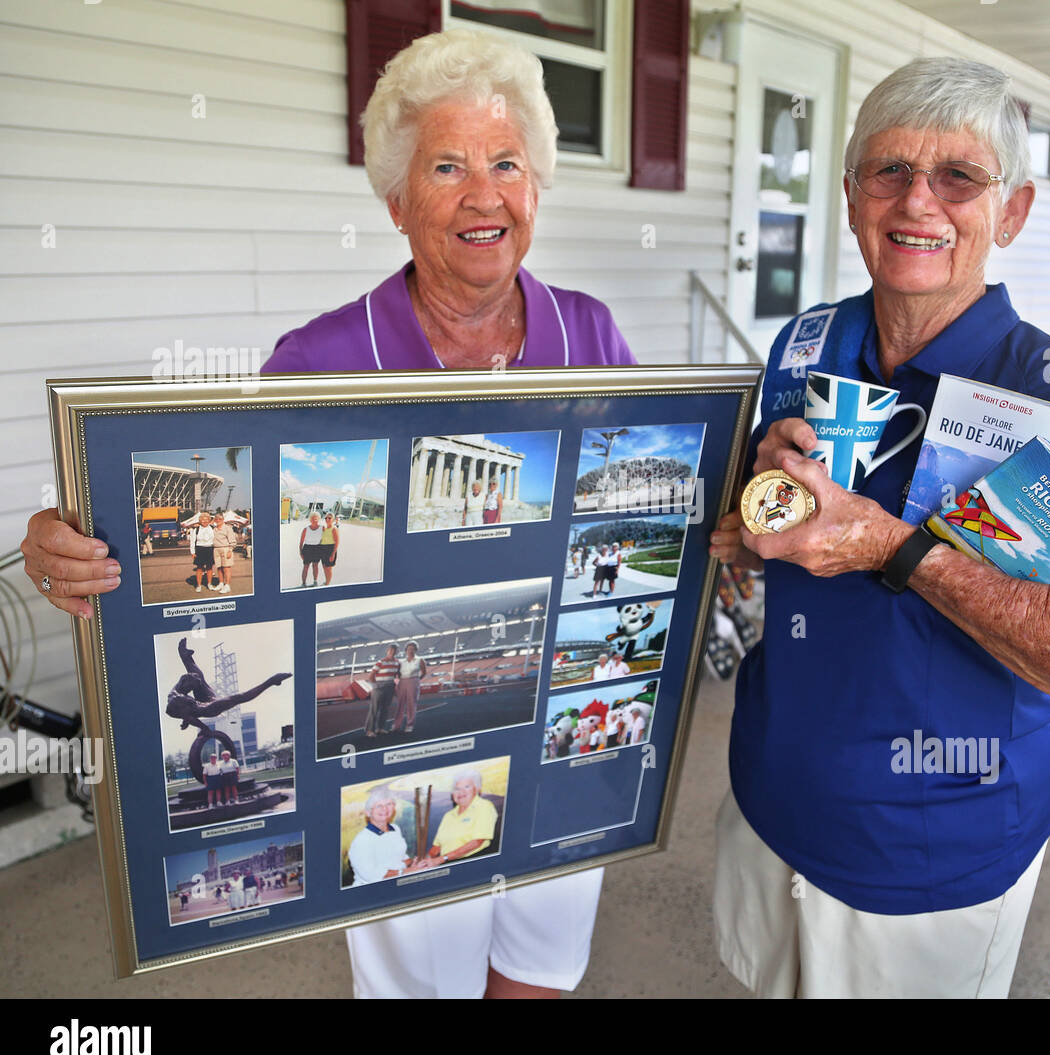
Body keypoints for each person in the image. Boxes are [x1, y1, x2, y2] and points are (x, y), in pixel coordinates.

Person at [26, 23, 623, 1003]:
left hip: (557, 739)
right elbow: (211, 515)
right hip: (392, 773)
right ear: (395, 201)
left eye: (507, 162)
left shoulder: (591, 332)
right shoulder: (319, 357)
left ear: (538, 183)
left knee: (539, 975)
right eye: (446, 166)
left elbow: (649, 486)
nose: (485, 194)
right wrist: (71, 534)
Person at [709, 57, 1050, 999]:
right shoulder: (806, 342)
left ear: (1013, 212)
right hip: (768, 799)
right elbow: (759, 528)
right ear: (850, 196)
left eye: (959, 176)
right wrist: (745, 524)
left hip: (929, 851)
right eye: (889, 171)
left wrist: (893, 547)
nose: (918, 201)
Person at [348, 786, 423, 884]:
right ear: (368, 812)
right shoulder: (361, 841)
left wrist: (413, 863)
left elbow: (402, 858)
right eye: (379, 806)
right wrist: (408, 871)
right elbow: (373, 876)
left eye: (389, 804)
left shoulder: (395, 829)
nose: (385, 809)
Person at [427, 772, 498, 868]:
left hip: (472, 862)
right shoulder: (448, 815)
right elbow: (437, 847)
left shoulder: (484, 806)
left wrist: (442, 859)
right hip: (446, 863)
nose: (461, 792)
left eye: (467, 787)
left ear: (476, 789)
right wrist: (424, 860)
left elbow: (477, 842)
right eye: (457, 789)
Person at [392, 641, 428, 734]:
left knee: (411, 703)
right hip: (402, 681)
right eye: (408, 649)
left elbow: (424, 672)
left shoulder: (420, 660)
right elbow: (397, 673)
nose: (410, 651)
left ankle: (409, 724)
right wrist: (397, 682)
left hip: (413, 680)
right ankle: (396, 725)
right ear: (406, 650)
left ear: (416, 650)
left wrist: (417, 679)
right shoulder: (401, 662)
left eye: (412, 649)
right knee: (400, 704)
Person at [366, 643, 400, 737]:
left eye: (394, 650)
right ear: (387, 651)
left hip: (390, 687)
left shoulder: (397, 663)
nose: (392, 652)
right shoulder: (380, 662)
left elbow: (397, 675)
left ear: (397, 652)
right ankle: (369, 730)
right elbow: (371, 676)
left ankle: (380, 728)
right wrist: (376, 686)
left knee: (385, 709)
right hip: (379, 688)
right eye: (391, 650)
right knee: (374, 709)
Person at [211, 511, 238, 594]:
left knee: (226, 568)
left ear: (223, 520)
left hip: (226, 549)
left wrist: (230, 550)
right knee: (219, 568)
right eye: (216, 519)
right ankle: (221, 583)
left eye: (220, 519)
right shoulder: (214, 529)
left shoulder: (227, 528)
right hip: (216, 549)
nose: (218, 520)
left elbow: (232, 541)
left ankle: (227, 585)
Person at [190, 511, 215, 592]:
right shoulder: (196, 530)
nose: (205, 521)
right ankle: (199, 585)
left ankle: (209, 584)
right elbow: (192, 541)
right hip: (199, 550)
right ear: (200, 521)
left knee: (209, 568)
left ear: (209, 520)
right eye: (203, 520)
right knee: (199, 568)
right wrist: (192, 552)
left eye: (206, 519)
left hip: (210, 549)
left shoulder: (213, 528)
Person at [298, 511, 324, 587]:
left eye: (315, 519)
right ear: (310, 519)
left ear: (318, 519)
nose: (314, 520)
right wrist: (300, 552)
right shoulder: (305, 529)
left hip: (317, 548)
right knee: (306, 566)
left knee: (315, 566)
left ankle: (315, 581)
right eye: (312, 519)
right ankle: (303, 583)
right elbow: (301, 543)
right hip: (307, 548)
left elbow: (325, 539)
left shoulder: (322, 528)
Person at [320, 513, 340, 586]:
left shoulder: (334, 529)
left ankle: (327, 584)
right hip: (323, 549)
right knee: (324, 567)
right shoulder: (325, 529)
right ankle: (326, 581)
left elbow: (337, 542)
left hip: (330, 549)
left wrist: (333, 553)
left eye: (329, 518)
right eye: (326, 518)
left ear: (333, 520)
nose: (327, 519)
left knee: (329, 568)